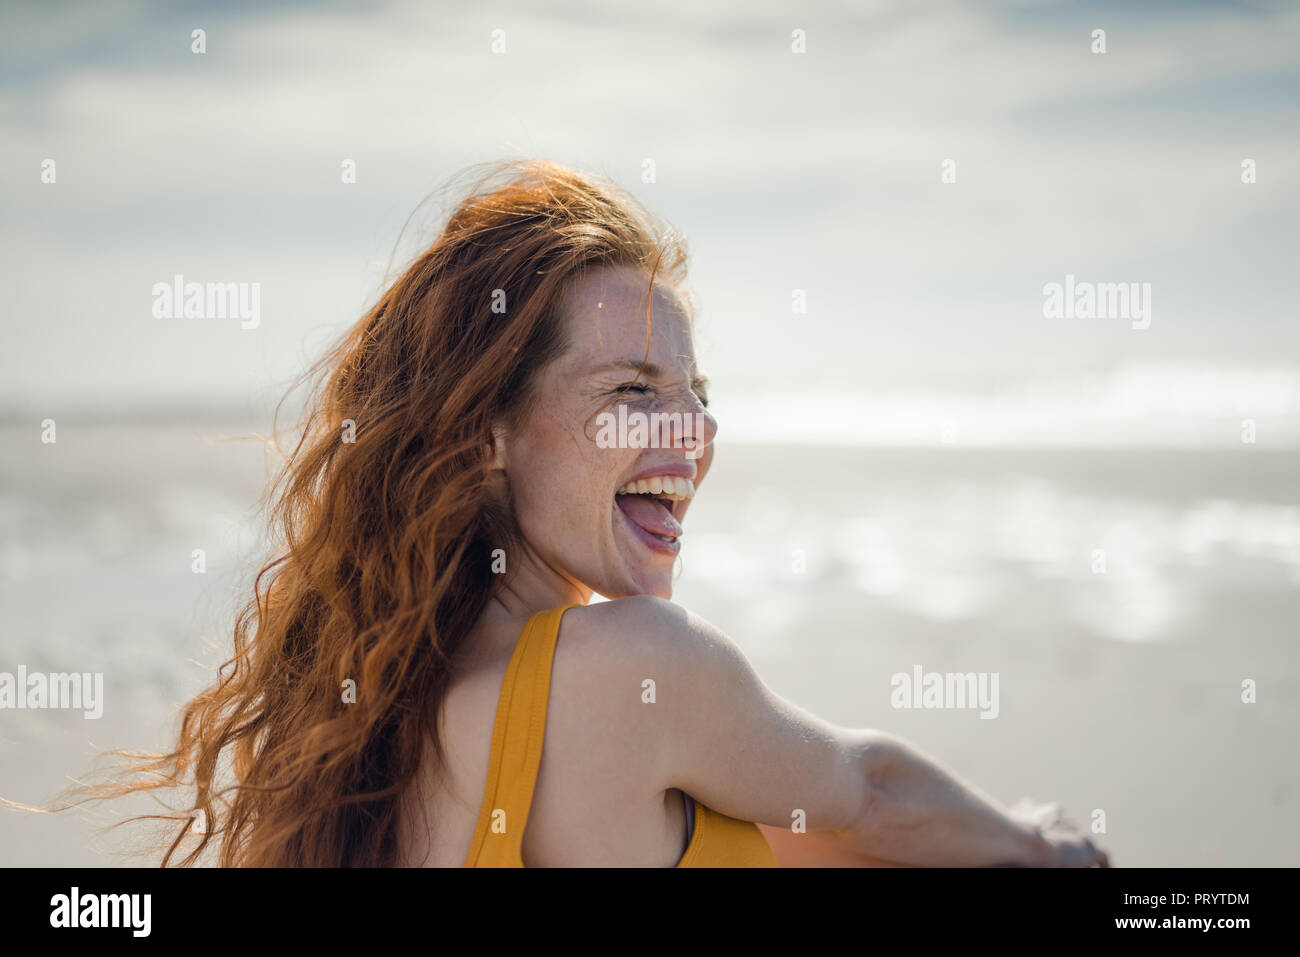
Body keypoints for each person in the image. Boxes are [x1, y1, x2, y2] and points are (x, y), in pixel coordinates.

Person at [74, 159, 1110, 868]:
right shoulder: (632, 668)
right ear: (485, 433)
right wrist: (1042, 847)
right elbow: (864, 791)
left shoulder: (372, 721)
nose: (693, 434)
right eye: (632, 391)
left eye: (697, 395)